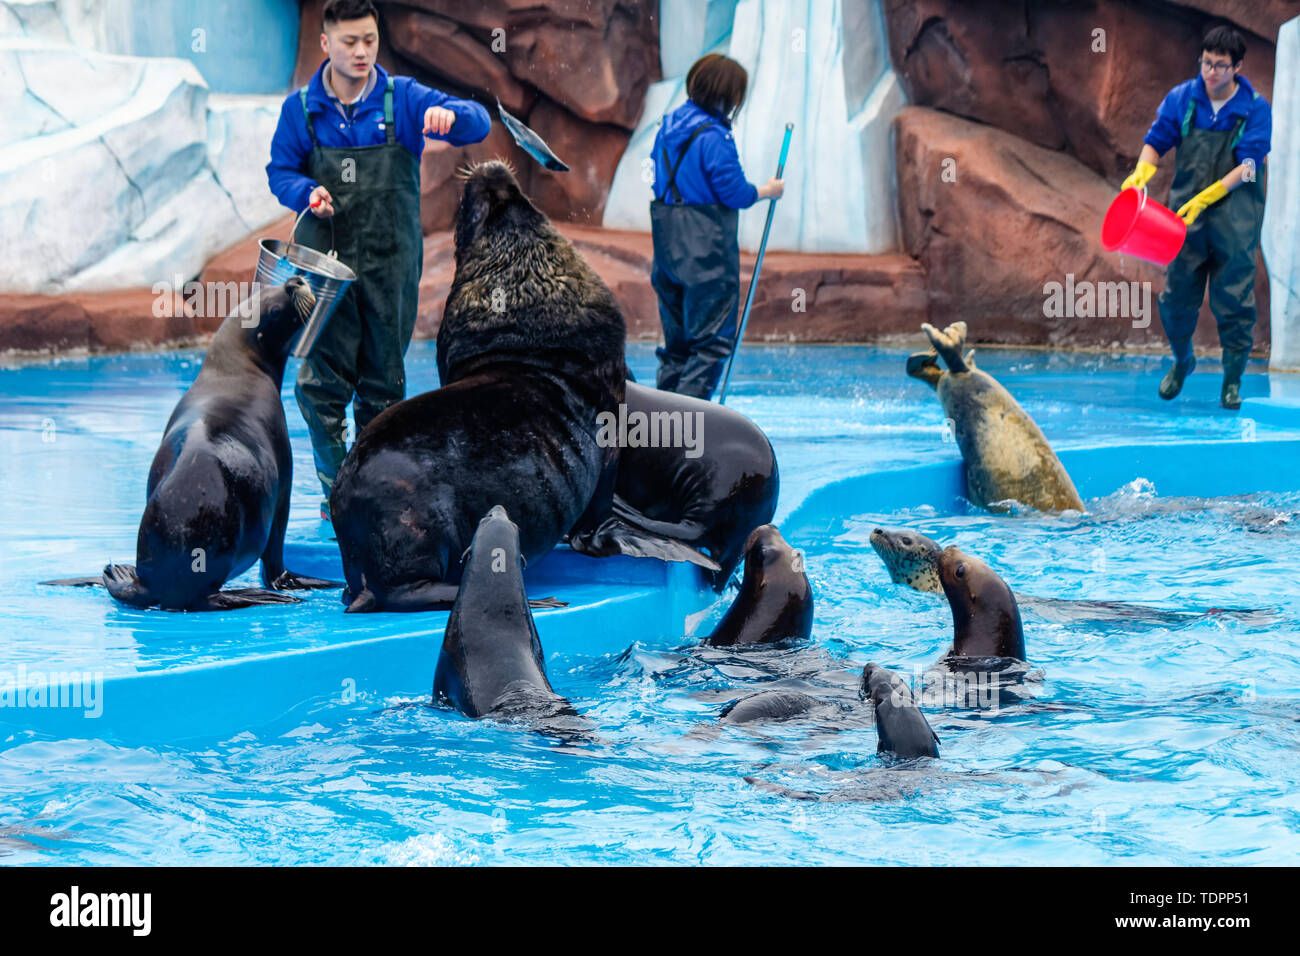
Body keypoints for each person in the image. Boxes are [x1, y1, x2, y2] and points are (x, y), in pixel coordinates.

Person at [266, 0, 490, 519]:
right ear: (326, 44)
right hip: (328, 267)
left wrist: (451, 115)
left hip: (391, 263)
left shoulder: (403, 99)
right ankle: (336, 494)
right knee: (318, 388)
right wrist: (305, 192)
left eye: (369, 40)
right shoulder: (301, 111)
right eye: (350, 42)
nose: (362, 51)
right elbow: (279, 171)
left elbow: (477, 122)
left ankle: (375, 496)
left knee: (383, 387)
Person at [1120, 24, 1271, 410]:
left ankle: (1232, 381)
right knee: (1174, 298)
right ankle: (1183, 360)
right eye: (1206, 63)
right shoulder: (1183, 99)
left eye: (1220, 66)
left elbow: (1252, 166)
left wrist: (1213, 194)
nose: (1210, 72)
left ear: (1237, 66)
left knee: (1234, 301)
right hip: (1185, 216)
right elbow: (1157, 140)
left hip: (1235, 218)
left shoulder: (1254, 108)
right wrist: (1142, 171)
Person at [649, 53, 784, 400]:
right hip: (706, 255)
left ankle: (659, 430)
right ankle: (688, 431)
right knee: (710, 343)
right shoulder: (715, 138)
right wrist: (767, 190)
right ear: (728, 95)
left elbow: (660, 181)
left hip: (668, 251)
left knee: (676, 346)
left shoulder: (667, 127)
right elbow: (734, 193)